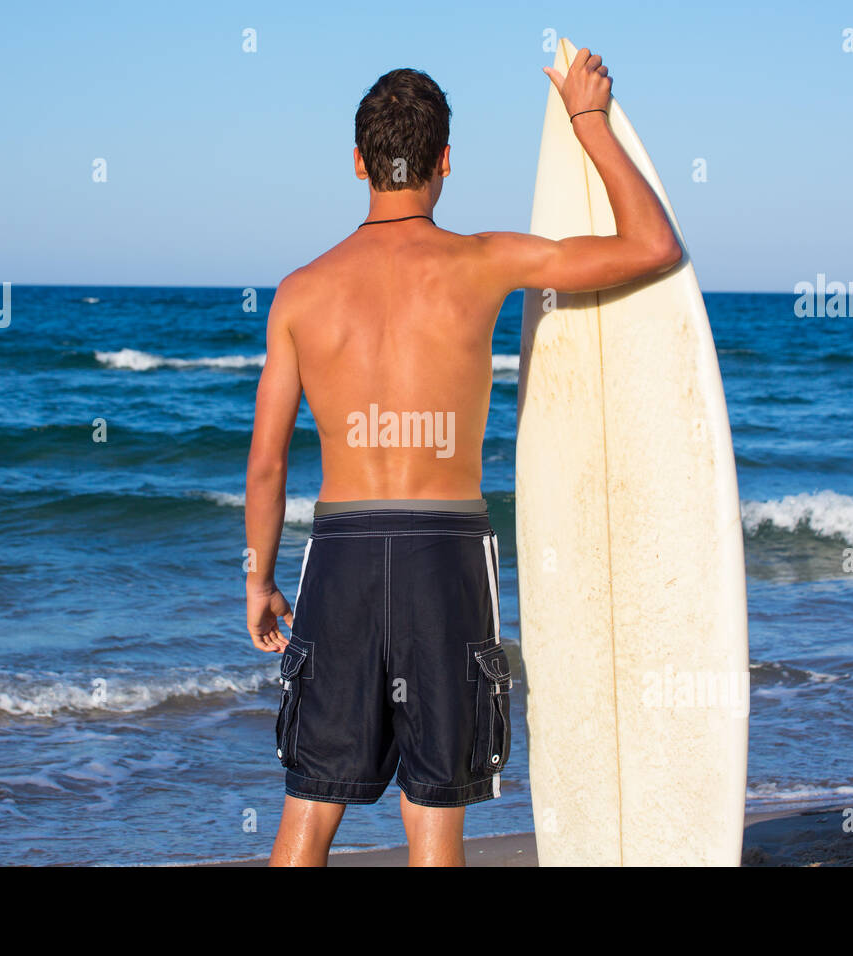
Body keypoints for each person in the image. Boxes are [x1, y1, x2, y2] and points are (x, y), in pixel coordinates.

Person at [245, 47, 681, 866]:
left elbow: (267, 463)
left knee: (310, 801)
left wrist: (260, 579)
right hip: (443, 553)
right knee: (436, 809)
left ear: (356, 162)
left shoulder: (302, 291)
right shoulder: (486, 262)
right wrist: (589, 121)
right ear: (444, 160)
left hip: (338, 552)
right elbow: (653, 244)